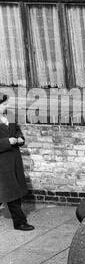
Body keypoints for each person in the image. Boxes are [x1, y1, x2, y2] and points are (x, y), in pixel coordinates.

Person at [0, 91, 33, 231]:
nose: (6, 106)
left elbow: (18, 130)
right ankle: (19, 222)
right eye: (3, 104)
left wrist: (20, 139)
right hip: (2, 162)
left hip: (14, 159)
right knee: (12, 192)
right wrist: (8, 141)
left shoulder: (10, 116)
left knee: (9, 190)